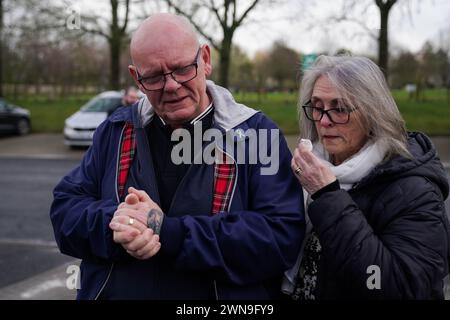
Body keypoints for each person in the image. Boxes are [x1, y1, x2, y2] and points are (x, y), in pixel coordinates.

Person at [50, 13, 305, 300]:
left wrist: (168, 232)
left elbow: (280, 237)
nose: (171, 86)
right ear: (137, 78)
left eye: (183, 68)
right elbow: (64, 211)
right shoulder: (115, 130)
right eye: (155, 77)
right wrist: (118, 224)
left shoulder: (258, 134)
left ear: (205, 59)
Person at [284, 55, 450, 299]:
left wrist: (327, 197)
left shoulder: (415, 190)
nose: (324, 121)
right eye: (317, 106)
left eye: (339, 109)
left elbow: (400, 288)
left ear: (373, 112)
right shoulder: (310, 167)